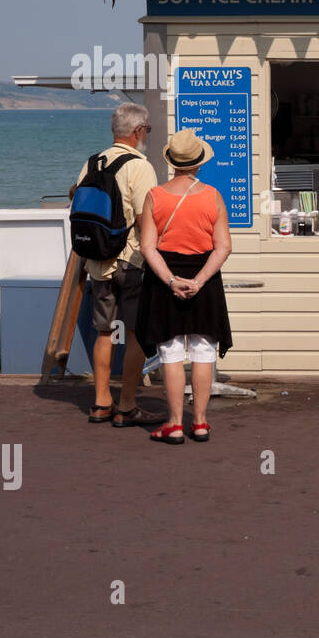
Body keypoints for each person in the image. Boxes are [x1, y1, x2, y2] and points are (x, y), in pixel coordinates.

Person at [135, 129, 234, 444]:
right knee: (204, 349)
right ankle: (201, 422)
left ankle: (175, 423)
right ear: (199, 163)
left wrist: (172, 281)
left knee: (171, 350)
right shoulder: (212, 196)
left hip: (166, 278)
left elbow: (147, 247)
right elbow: (223, 247)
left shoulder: (155, 195)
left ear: (172, 162)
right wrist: (199, 281)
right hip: (204, 277)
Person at [71, 103, 164, 428]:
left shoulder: (92, 162)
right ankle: (126, 405)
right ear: (138, 131)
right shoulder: (141, 166)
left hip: (97, 261)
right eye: (147, 131)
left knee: (104, 332)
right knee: (136, 334)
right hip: (131, 260)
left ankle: (100, 403)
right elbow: (144, 218)